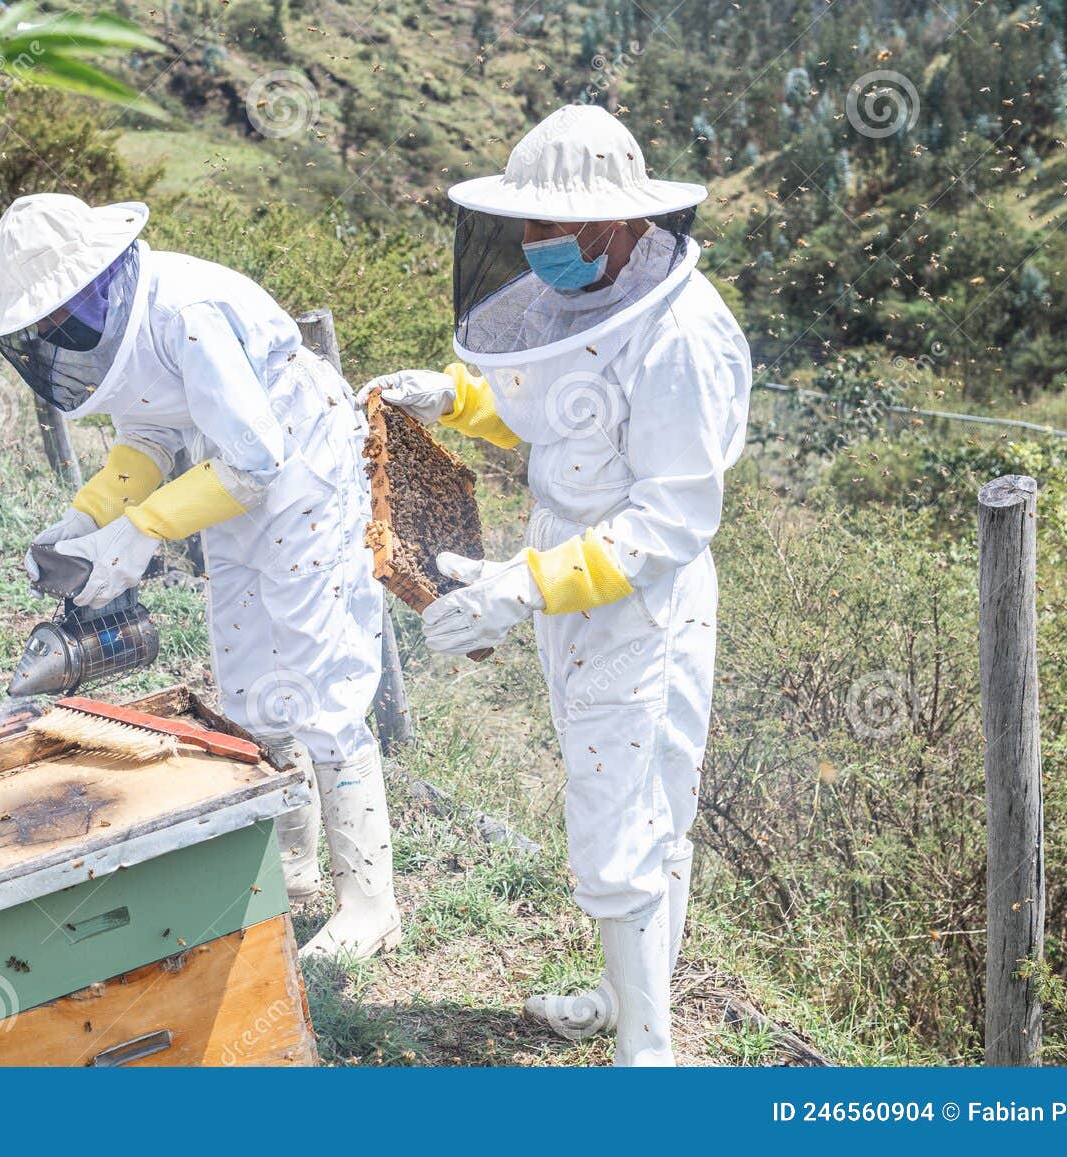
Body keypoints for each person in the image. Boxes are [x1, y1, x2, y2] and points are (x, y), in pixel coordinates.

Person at [363, 104, 752, 1065]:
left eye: (551, 228)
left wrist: (517, 590)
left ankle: (647, 1058)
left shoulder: (683, 335)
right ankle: (630, 1003)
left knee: (627, 814)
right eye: (524, 226)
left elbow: (668, 520)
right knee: (627, 797)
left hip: (639, 601)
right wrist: (456, 399)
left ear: (618, 225)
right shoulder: (577, 298)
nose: (532, 246)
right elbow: (558, 421)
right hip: (566, 579)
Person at [0, 195, 398, 959]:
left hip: (300, 459)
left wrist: (141, 531)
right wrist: (90, 517)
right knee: (246, 666)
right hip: (223, 469)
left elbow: (259, 460)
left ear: (98, 278)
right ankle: (293, 863)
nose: (57, 330)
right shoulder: (110, 329)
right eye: (44, 319)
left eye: (62, 310)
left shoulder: (184, 313)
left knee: (317, 667)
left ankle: (369, 904)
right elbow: (150, 435)